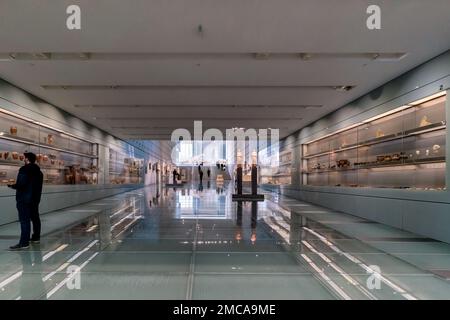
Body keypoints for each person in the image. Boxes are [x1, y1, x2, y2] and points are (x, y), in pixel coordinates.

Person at [7, 152, 44, 250]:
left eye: (24, 158)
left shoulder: (24, 169)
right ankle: (36, 237)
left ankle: (24, 243)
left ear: (27, 159)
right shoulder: (39, 172)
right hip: (35, 199)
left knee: (24, 220)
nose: (23, 159)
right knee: (35, 218)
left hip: (24, 199)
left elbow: (21, 184)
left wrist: (12, 185)